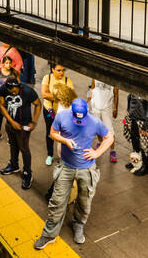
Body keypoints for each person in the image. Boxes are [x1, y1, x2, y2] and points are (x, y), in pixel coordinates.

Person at [35, 98, 114, 249]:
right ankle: (49, 234)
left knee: (84, 202)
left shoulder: (94, 122)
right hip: (66, 166)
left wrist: (97, 153)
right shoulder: (62, 117)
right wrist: (64, 141)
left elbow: (109, 138)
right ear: (72, 112)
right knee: (57, 201)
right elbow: (52, 133)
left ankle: (78, 224)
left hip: (87, 169)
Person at [0, 75, 40, 189]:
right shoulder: (3, 89)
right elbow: (1, 104)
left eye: (15, 90)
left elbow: (38, 104)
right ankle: (14, 165)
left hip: (23, 125)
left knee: (24, 148)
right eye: (11, 91)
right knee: (13, 145)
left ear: (18, 86)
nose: (13, 93)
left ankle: (27, 173)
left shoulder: (27, 91)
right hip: (11, 125)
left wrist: (34, 122)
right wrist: (11, 121)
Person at [40, 63, 73, 167]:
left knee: (62, 134)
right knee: (50, 132)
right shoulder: (47, 78)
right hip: (49, 110)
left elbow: (71, 98)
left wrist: (53, 96)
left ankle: (62, 156)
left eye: (63, 70)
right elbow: (44, 94)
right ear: (52, 70)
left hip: (62, 114)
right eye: (58, 70)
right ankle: (50, 154)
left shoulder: (68, 81)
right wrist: (59, 97)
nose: (61, 73)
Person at [125, 93, 148, 175]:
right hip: (133, 116)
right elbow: (130, 97)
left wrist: (146, 124)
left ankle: (145, 166)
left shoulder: (147, 89)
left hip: (143, 120)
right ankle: (135, 161)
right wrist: (128, 114)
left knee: (144, 144)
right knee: (134, 140)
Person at [87, 78, 119, 164]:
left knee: (110, 130)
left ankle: (112, 151)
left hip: (106, 108)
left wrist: (115, 108)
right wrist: (87, 102)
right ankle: (100, 142)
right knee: (97, 128)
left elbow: (116, 95)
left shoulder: (114, 79)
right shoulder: (95, 77)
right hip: (95, 107)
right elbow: (92, 89)